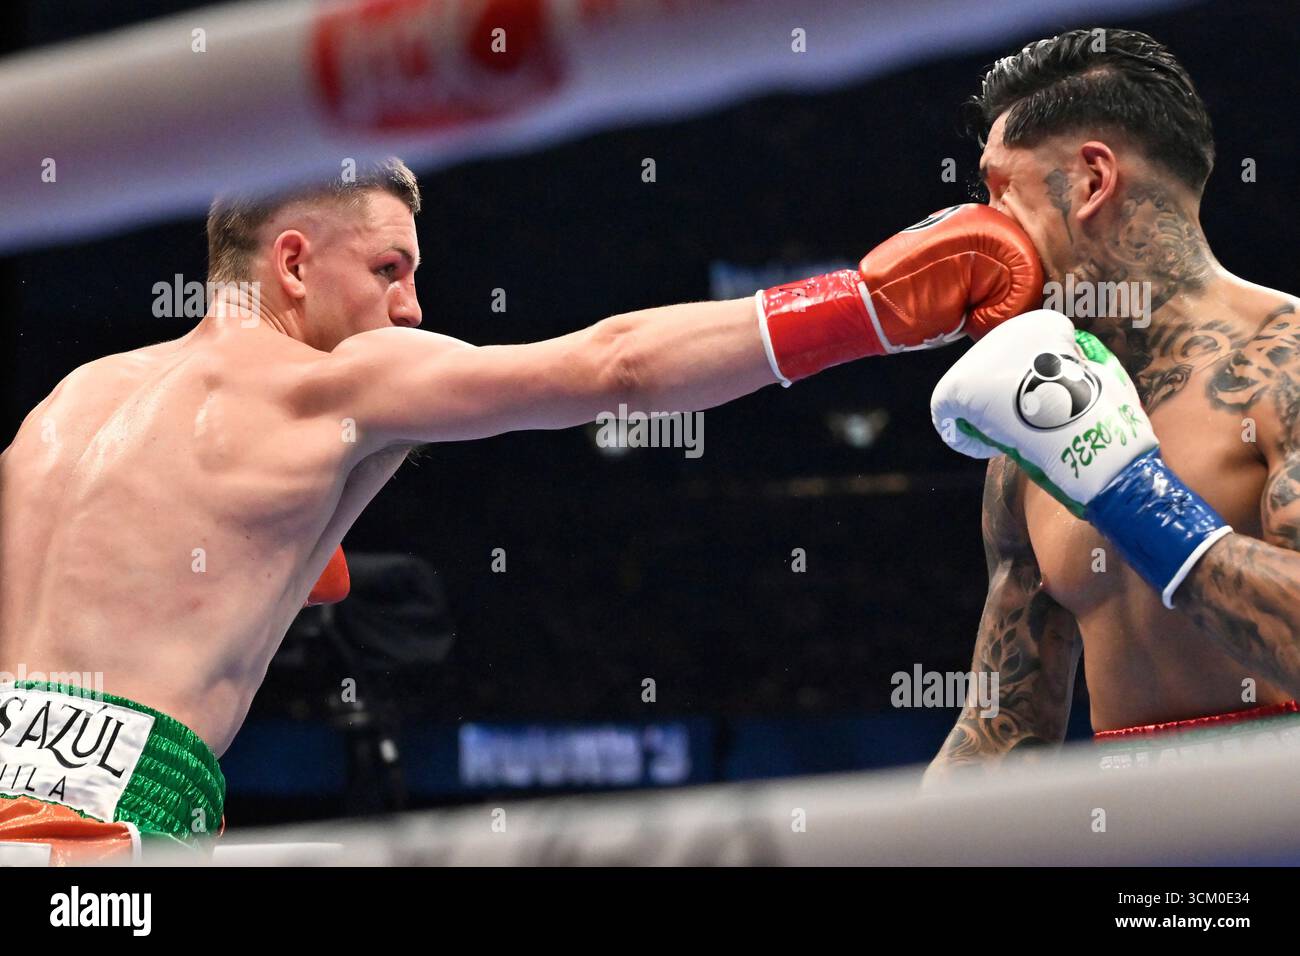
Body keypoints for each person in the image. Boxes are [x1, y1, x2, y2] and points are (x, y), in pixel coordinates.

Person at [0, 161, 1040, 862]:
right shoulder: (328, 383)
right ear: (292, 263)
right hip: (97, 831)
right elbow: (615, 363)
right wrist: (867, 307)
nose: (410, 307)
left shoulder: (67, 404)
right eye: (389, 268)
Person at [925, 28, 1300, 781]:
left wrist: (1132, 498)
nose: (981, 229)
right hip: (1129, 850)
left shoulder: (1285, 367)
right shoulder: (1037, 420)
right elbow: (1003, 725)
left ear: (1092, 181)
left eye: (1000, 192)